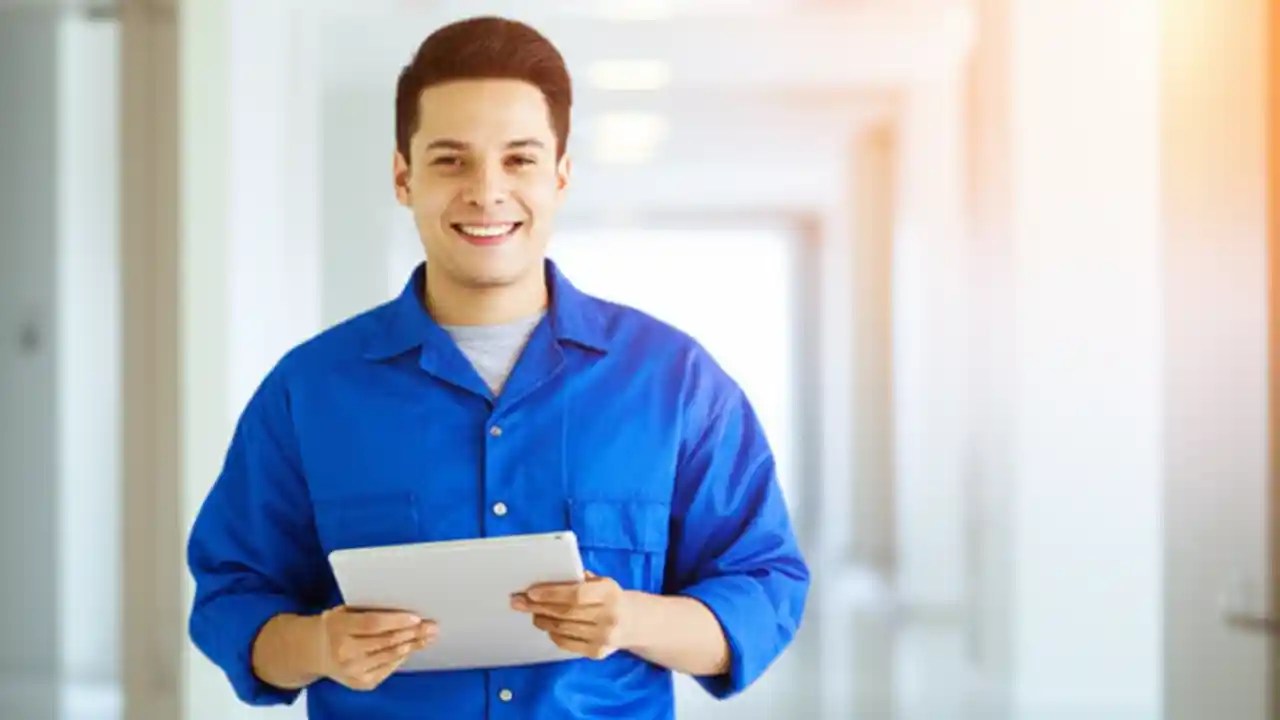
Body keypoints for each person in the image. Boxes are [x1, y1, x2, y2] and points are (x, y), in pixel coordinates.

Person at [186, 15, 809, 719]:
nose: (486, 191)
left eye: (519, 159)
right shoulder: (310, 391)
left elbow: (764, 587)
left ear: (561, 175)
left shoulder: (675, 381)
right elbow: (231, 598)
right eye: (451, 159)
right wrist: (319, 646)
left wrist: (632, 620)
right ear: (403, 176)